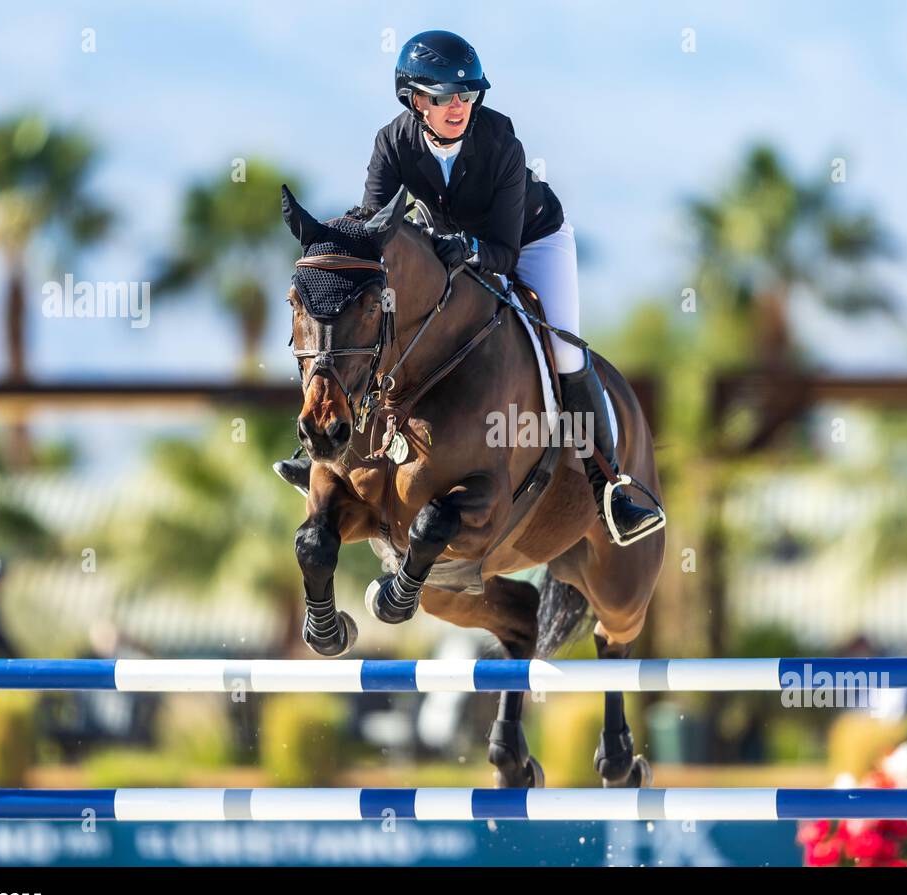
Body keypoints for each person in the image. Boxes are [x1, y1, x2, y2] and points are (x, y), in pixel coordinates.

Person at [276, 30, 664, 546]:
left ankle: (610, 486)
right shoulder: (392, 143)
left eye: (465, 95)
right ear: (415, 100)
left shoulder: (500, 142)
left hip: (531, 240)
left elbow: (504, 251)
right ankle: (330, 455)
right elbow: (375, 229)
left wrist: (471, 250)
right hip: (444, 251)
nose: (457, 106)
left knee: (566, 352)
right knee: (379, 329)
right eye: (441, 97)